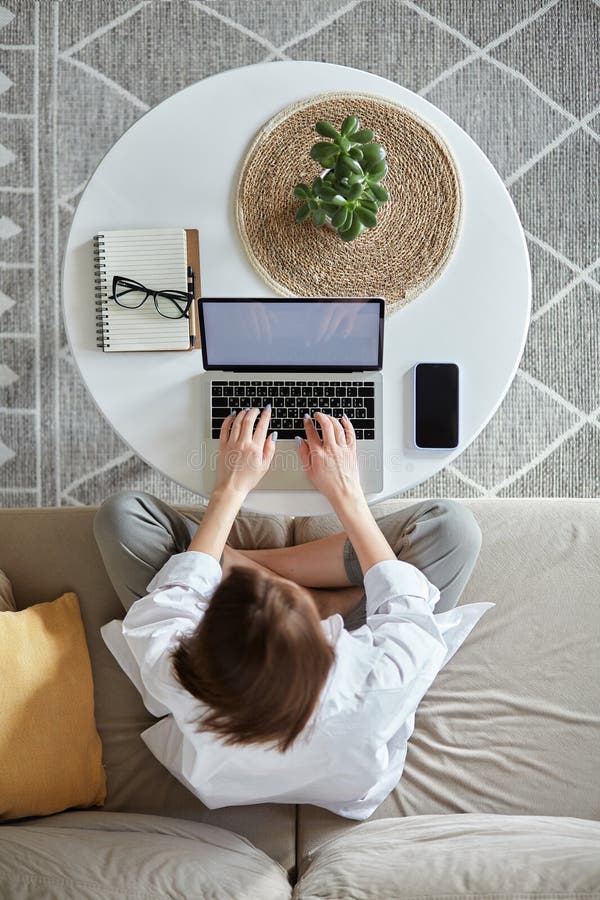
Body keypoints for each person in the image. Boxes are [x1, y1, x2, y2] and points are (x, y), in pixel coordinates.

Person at [95, 407, 492, 820]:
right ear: (327, 640)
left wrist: (229, 490)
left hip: (220, 770)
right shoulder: (382, 679)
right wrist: (345, 492)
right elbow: (403, 594)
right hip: (355, 704)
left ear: (204, 635)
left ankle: (245, 564)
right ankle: (305, 590)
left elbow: (178, 591)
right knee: (452, 531)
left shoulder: (174, 667)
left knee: (123, 520)